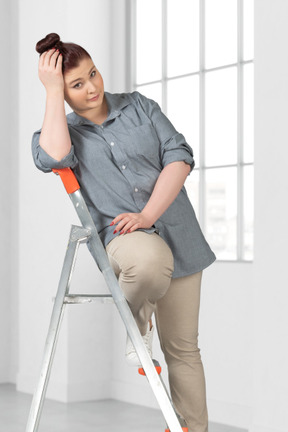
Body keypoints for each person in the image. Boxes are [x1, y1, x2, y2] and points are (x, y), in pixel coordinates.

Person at [32, 33, 216, 432]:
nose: (92, 87)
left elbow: (180, 156)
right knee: (149, 262)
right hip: (125, 241)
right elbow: (54, 157)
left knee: (184, 349)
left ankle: (191, 429)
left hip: (179, 233)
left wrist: (147, 212)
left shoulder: (140, 106)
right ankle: (138, 328)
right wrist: (52, 93)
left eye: (92, 74)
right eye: (76, 85)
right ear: (61, 91)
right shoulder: (62, 129)